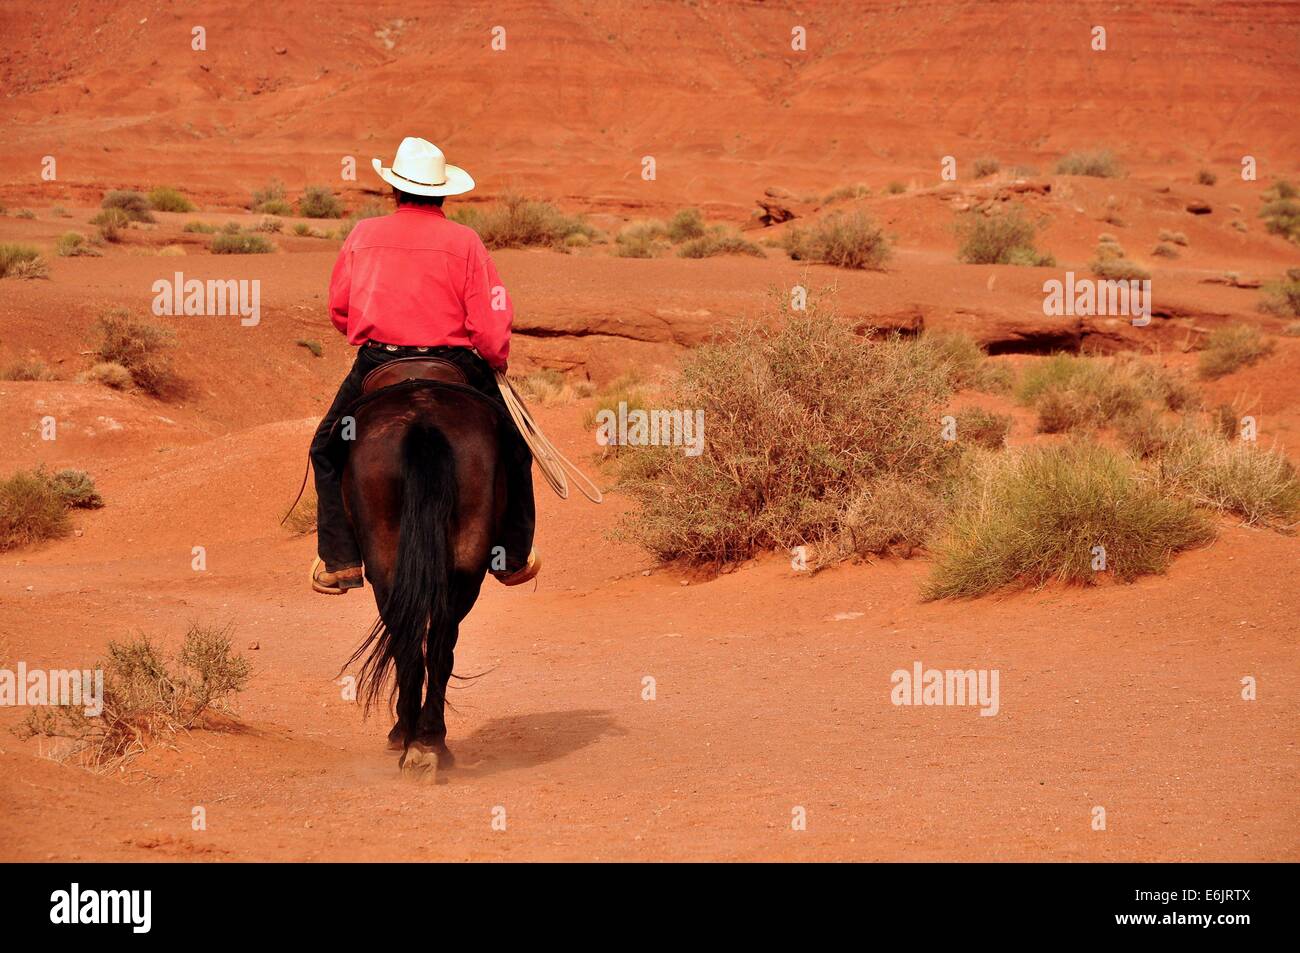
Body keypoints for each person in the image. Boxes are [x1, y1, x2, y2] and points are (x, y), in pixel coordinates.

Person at [307, 136, 539, 594]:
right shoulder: (466, 242)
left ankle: (341, 560)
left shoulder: (363, 236)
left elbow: (340, 309)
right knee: (515, 444)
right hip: (454, 364)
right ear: (443, 193)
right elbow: (490, 320)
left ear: (394, 189)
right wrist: (496, 360)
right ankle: (511, 557)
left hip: (380, 360)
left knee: (327, 447)